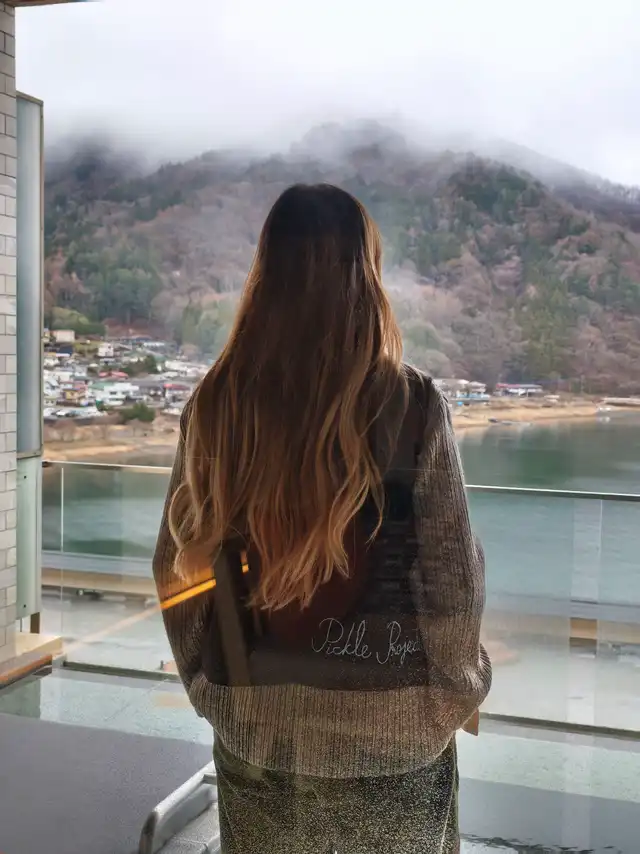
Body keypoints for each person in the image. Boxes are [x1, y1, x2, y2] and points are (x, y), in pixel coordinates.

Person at [153, 184, 491, 854]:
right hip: (395, 735)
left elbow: (177, 565)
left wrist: (210, 688)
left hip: (257, 732)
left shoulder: (217, 403)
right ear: (366, 274)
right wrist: (454, 695)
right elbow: (451, 577)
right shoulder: (412, 404)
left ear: (266, 271)